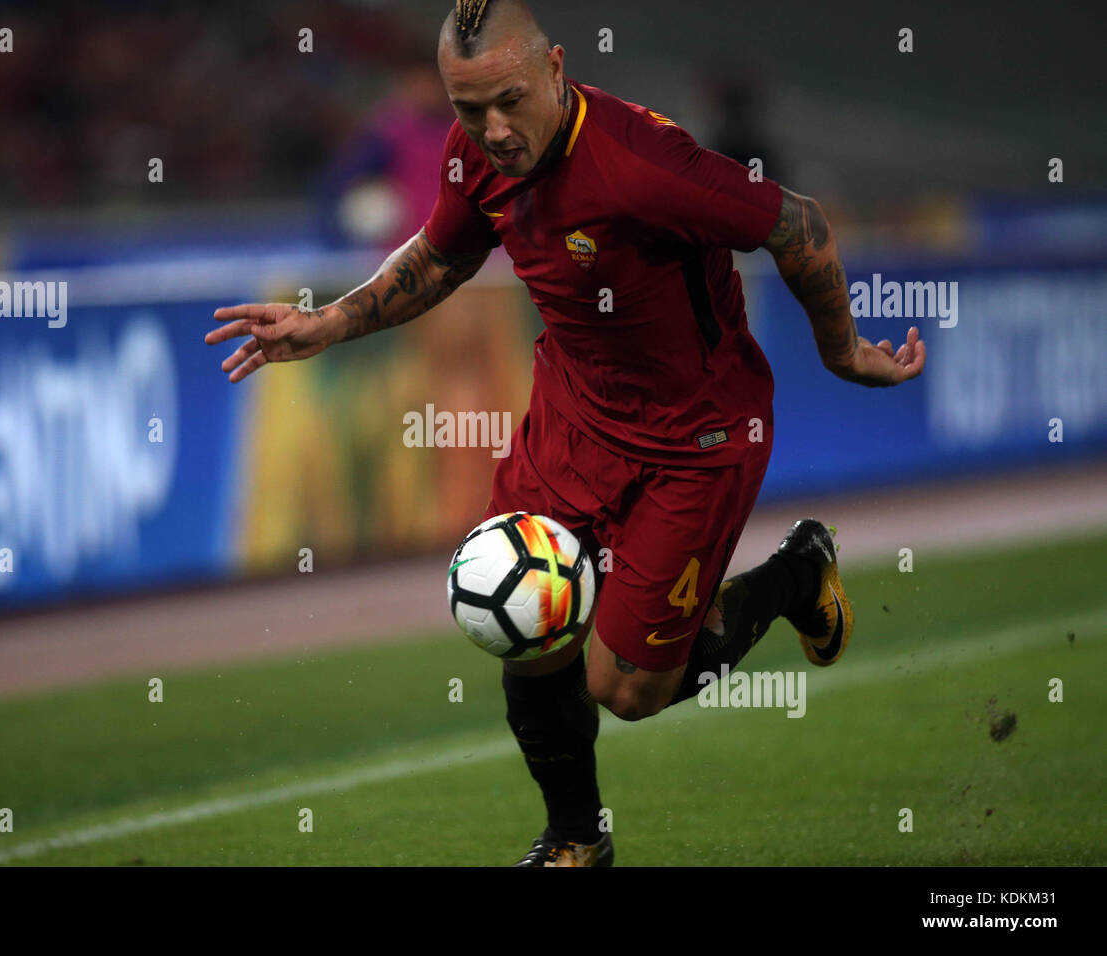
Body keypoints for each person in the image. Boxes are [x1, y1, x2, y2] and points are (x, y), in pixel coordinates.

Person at [206, 0, 925, 866]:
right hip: (573, 419)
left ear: (554, 69)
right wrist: (328, 322)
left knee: (627, 690)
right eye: (469, 109)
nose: (493, 131)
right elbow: (441, 255)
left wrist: (843, 352)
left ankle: (797, 572)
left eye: (509, 101)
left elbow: (797, 223)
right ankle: (577, 840)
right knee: (524, 616)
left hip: (695, 436)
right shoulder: (475, 154)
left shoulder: (643, 164)